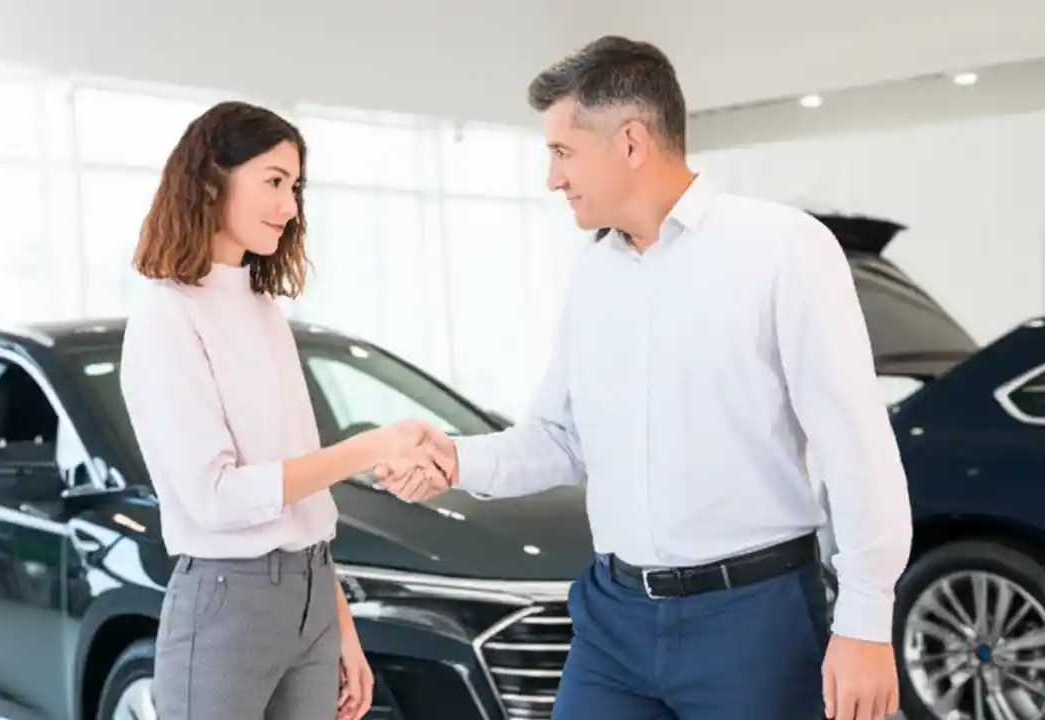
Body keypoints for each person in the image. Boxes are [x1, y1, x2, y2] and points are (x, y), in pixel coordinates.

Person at [377, 36, 912, 720]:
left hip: (753, 620)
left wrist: (866, 619)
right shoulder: (593, 273)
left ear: (630, 142)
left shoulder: (783, 248)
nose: (551, 178)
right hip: (615, 621)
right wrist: (455, 458)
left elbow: (856, 445)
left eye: (562, 152)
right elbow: (561, 439)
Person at [120, 101, 444, 720]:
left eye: (294, 187)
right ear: (212, 180)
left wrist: (338, 624)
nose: (291, 207)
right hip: (226, 604)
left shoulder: (264, 312)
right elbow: (214, 497)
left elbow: (303, 501)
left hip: (311, 595)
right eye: (273, 182)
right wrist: (368, 448)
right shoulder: (167, 315)